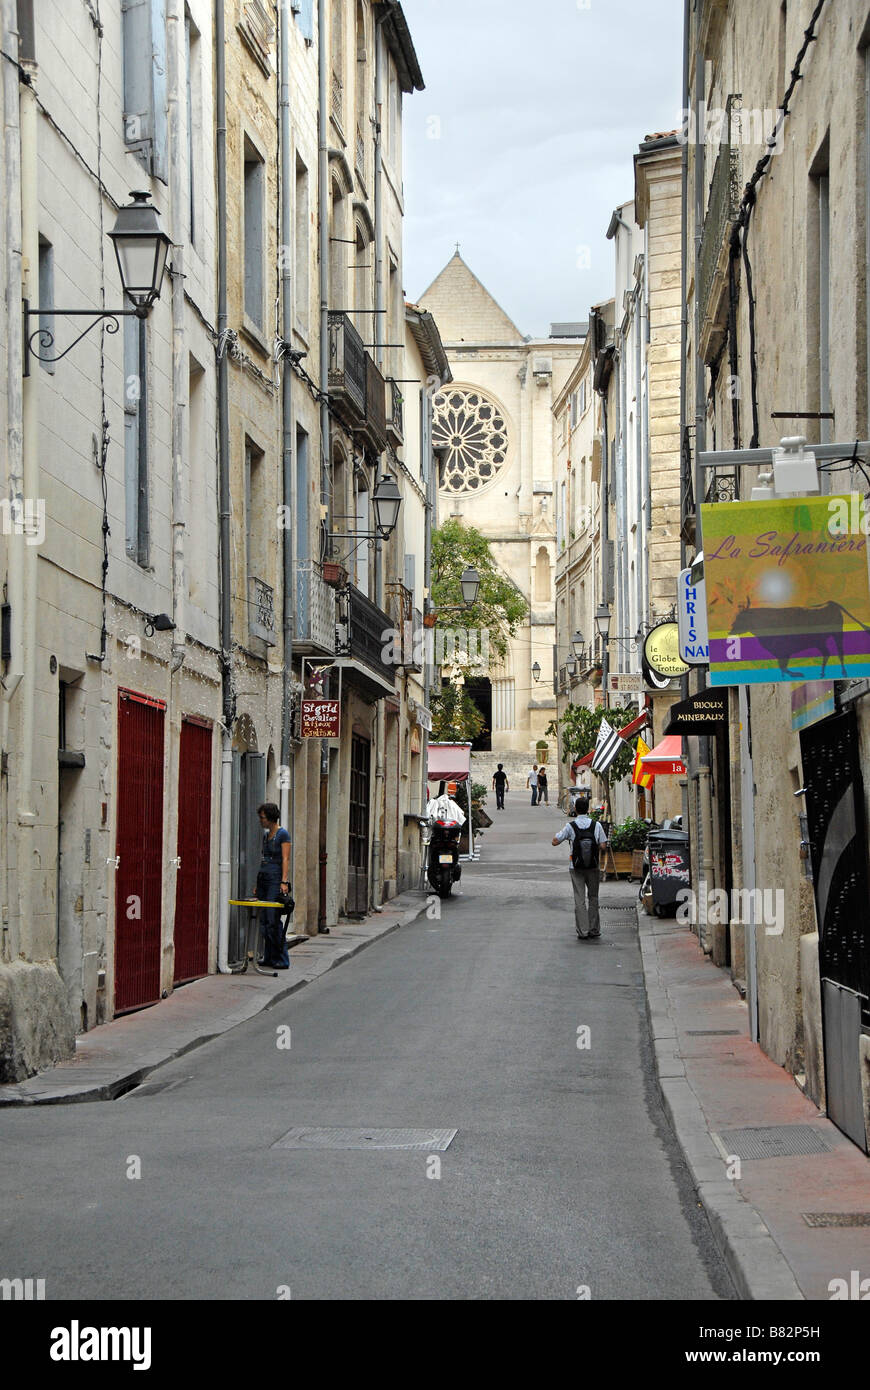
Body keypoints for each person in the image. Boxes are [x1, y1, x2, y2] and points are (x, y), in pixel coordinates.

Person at [551, 795, 608, 939]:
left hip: (575, 866)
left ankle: (583, 931)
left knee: (580, 898)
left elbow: (555, 841)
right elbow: (603, 845)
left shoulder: (571, 826)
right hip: (593, 866)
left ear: (575, 809)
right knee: (593, 897)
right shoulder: (597, 825)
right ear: (588, 809)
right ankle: (594, 929)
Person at [253, 802, 292, 969]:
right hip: (264, 877)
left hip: (275, 879)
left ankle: (282, 958)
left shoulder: (283, 835)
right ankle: (268, 956)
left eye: (262, 818)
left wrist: (283, 881)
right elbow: (263, 859)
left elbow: (285, 859)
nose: (260, 821)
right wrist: (257, 883)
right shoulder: (266, 835)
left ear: (270, 818)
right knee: (263, 920)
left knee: (273, 920)